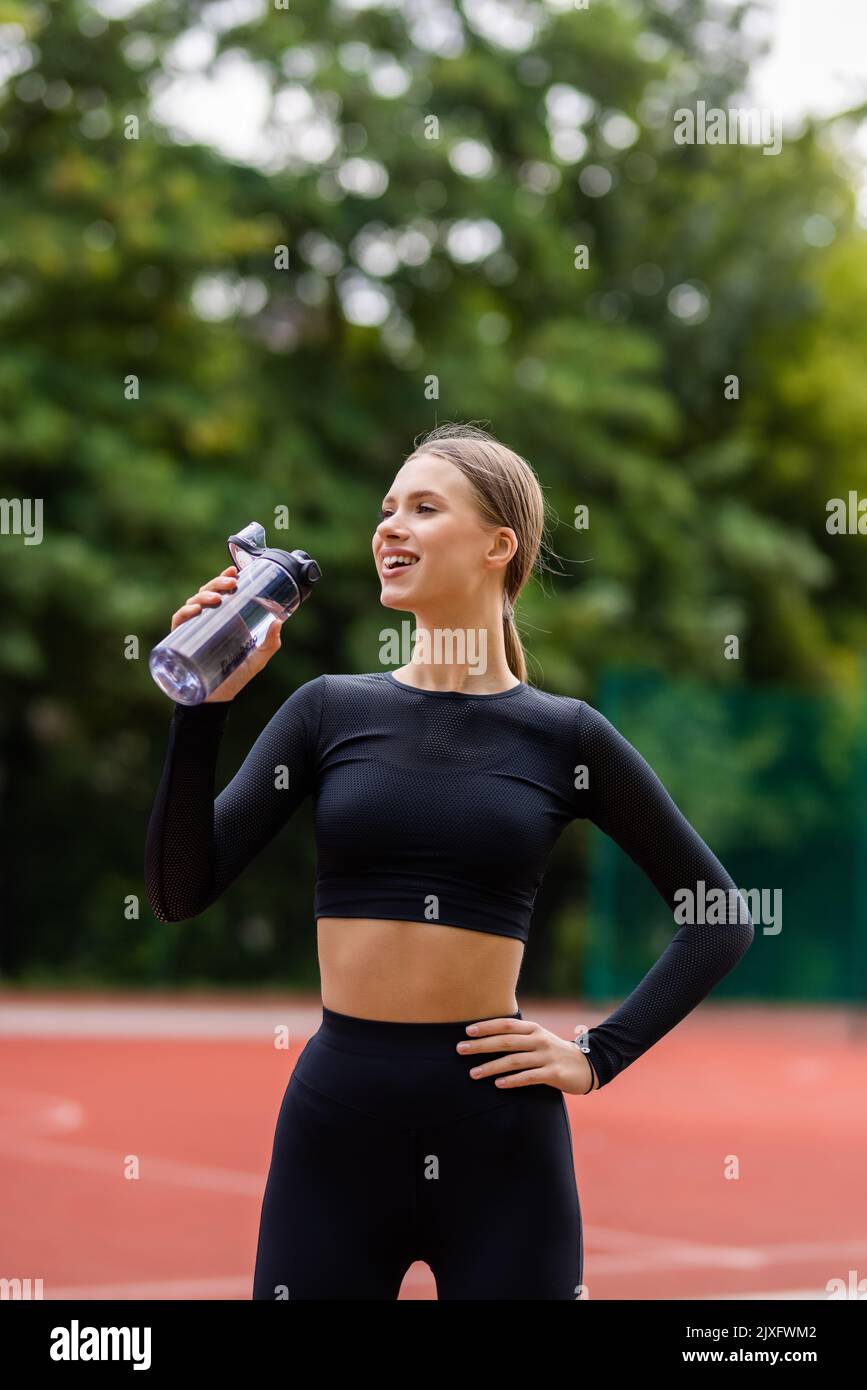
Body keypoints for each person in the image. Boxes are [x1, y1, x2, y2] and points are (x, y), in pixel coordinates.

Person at [144, 422, 755, 1300]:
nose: (388, 526)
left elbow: (719, 917)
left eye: (423, 508)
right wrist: (202, 706)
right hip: (337, 1127)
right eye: (386, 509)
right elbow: (176, 892)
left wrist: (596, 1054)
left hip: (499, 1136)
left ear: (497, 547)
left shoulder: (565, 735)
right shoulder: (325, 714)